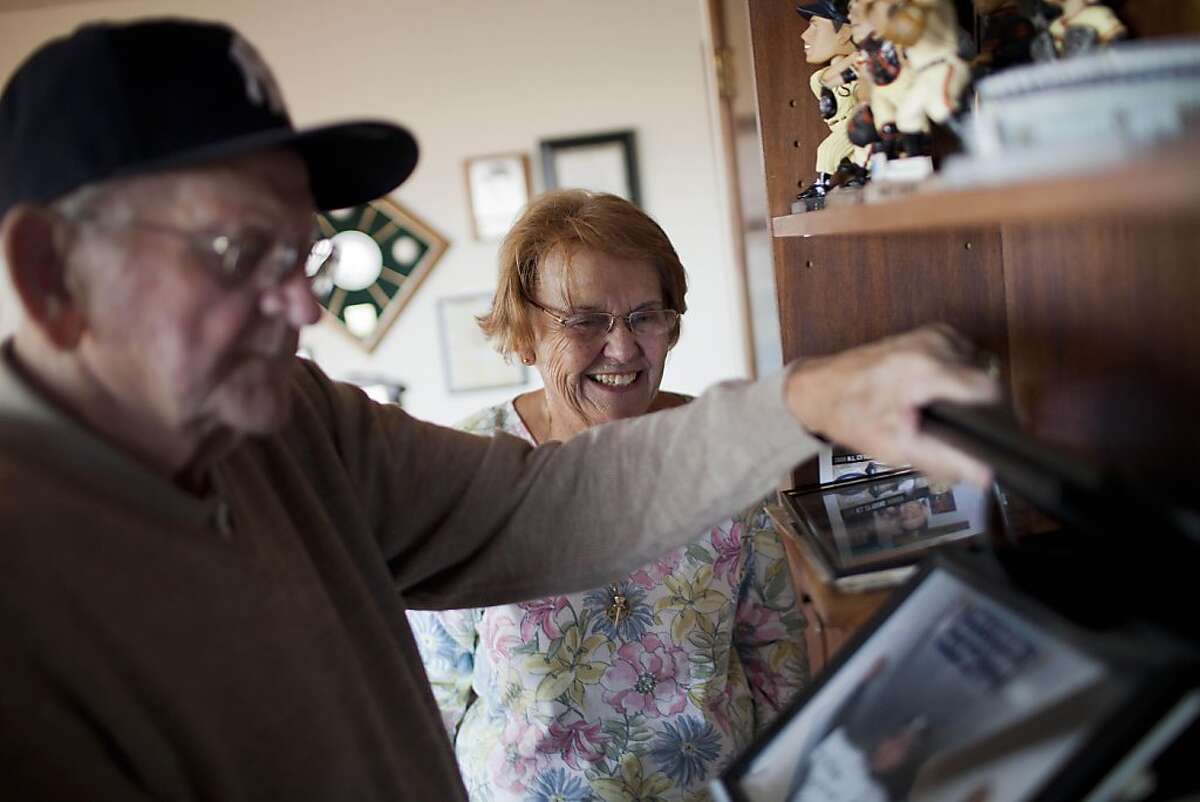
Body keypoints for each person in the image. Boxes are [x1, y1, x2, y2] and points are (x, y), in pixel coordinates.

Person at [0, 17, 999, 800]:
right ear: (51, 272)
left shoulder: (295, 422)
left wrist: (806, 399)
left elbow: (543, 510)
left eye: (301, 252)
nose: (304, 306)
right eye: (238, 252)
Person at [407, 190, 809, 801]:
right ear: (524, 333)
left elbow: (776, 659)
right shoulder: (470, 468)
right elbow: (428, 693)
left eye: (645, 316)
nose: (622, 350)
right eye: (585, 320)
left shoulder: (721, 450)